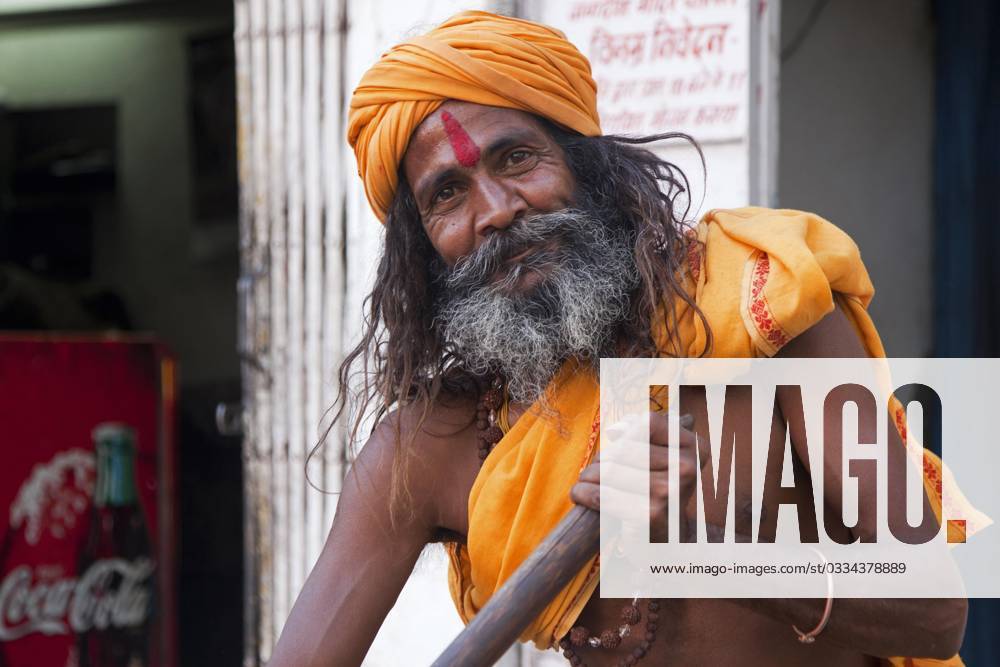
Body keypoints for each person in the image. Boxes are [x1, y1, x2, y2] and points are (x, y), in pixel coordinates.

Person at [269, 11, 969, 667]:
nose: (496, 211)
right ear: (421, 252)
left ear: (586, 163)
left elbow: (935, 612)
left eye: (516, 159)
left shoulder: (763, 302)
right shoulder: (429, 447)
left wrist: (700, 543)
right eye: (447, 194)